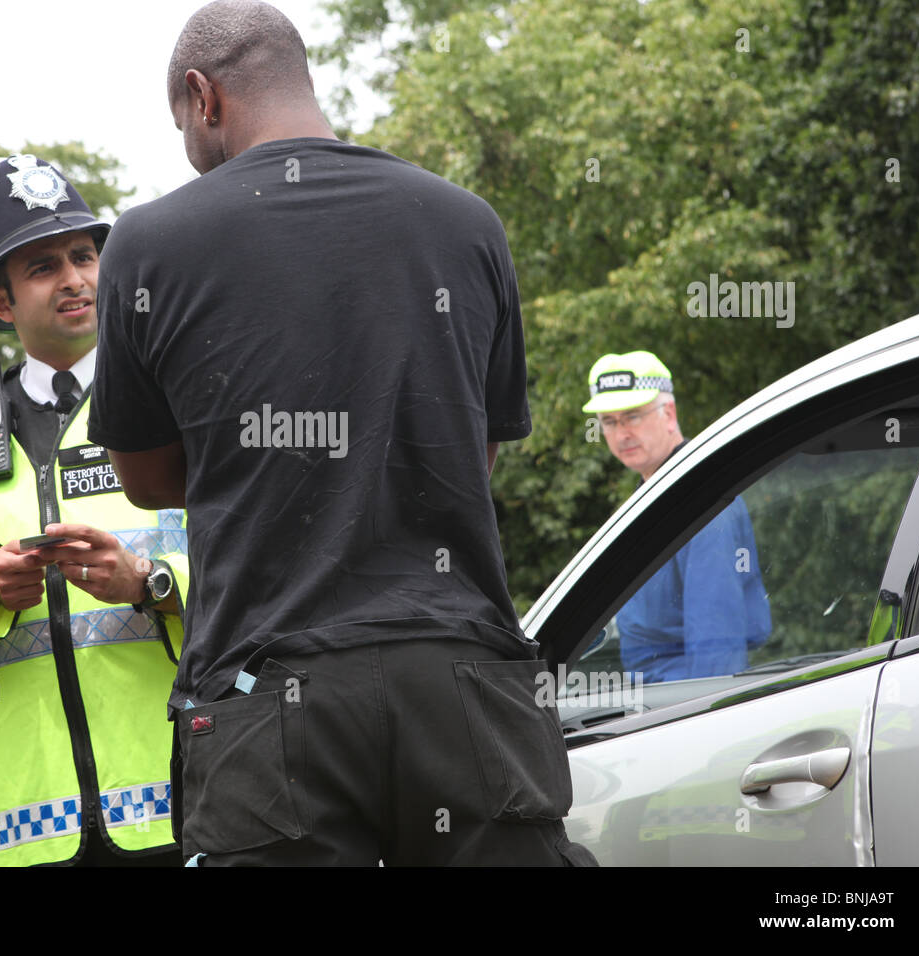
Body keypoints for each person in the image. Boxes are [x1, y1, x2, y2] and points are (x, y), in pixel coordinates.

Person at [88, 1, 595, 866]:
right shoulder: (467, 223)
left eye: (180, 123)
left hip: (267, 694)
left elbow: (144, 478)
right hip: (463, 682)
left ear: (202, 95)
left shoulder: (147, 244)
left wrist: (249, 461)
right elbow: (473, 459)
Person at [0, 155, 189, 867]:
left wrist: (152, 581)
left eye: (85, 256)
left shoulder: (176, 401)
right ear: (1, 303)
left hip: (175, 808)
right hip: (17, 830)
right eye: (45, 267)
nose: (77, 278)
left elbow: (252, 553)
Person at [582, 350, 771, 681]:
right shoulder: (658, 494)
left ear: (668, 414)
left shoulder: (699, 500)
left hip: (685, 706)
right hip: (658, 701)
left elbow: (716, 643)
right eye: (609, 422)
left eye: (633, 417)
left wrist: (705, 720)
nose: (621, 432)